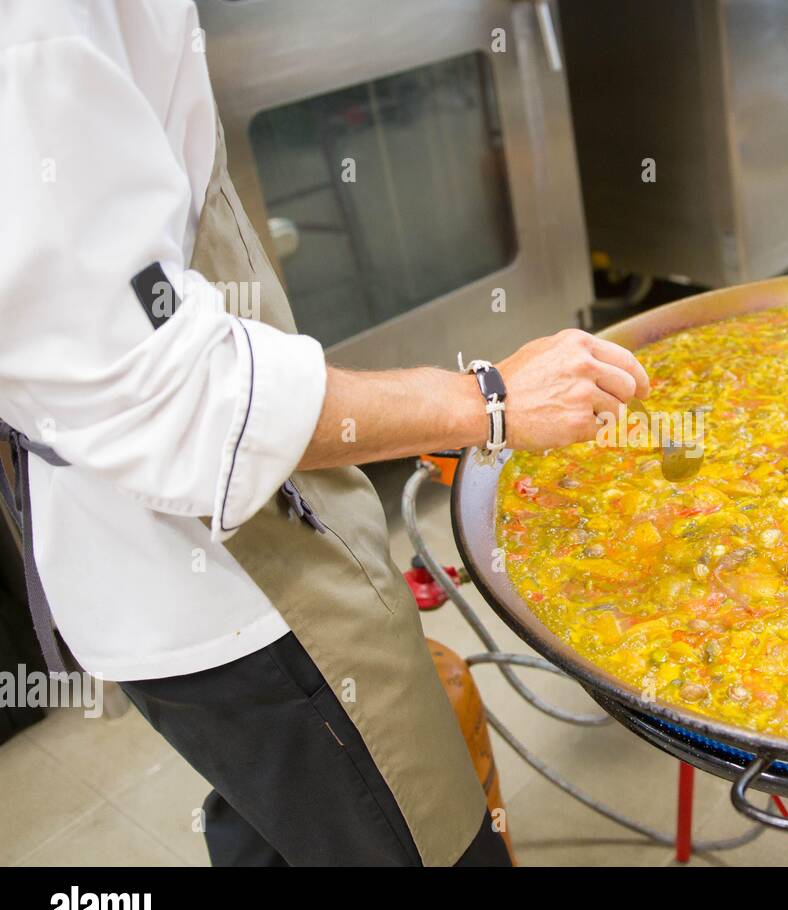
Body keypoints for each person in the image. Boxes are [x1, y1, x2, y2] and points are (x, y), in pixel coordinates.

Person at [0, 0, 648, 866]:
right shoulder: (35, 26)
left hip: (241, 526)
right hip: (230, 581)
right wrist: (486, 401)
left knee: (271, 834)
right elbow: (173, 393)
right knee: (421, 839)